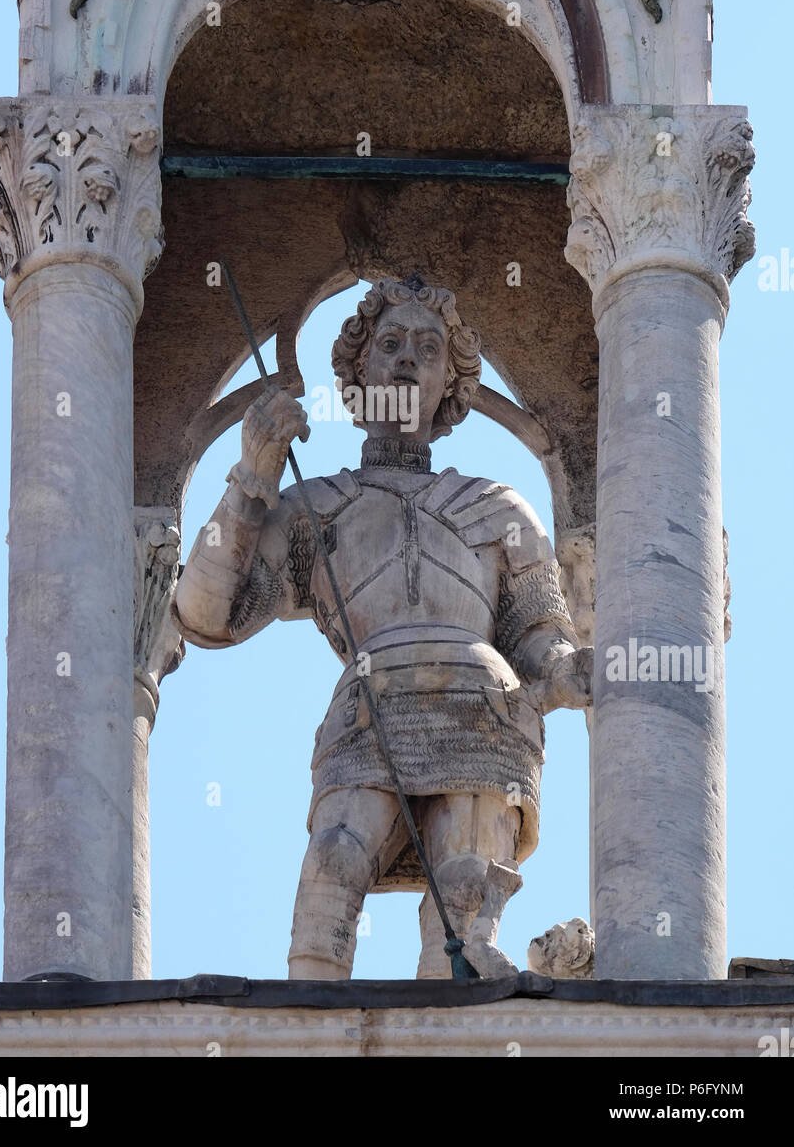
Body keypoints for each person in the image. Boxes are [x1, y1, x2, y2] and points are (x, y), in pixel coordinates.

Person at [173, 277, 591, 978]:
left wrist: (570, 670)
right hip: (369, 710)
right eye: (389, 344)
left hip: (484, 717)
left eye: (427, 349)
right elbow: (205, 612)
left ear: (450, 384)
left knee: (463, 902)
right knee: (332, 869)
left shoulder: (498, 508)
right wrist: (250, 479)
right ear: (357, 371)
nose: (405, 360)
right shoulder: (316, 505)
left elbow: (537, 638)